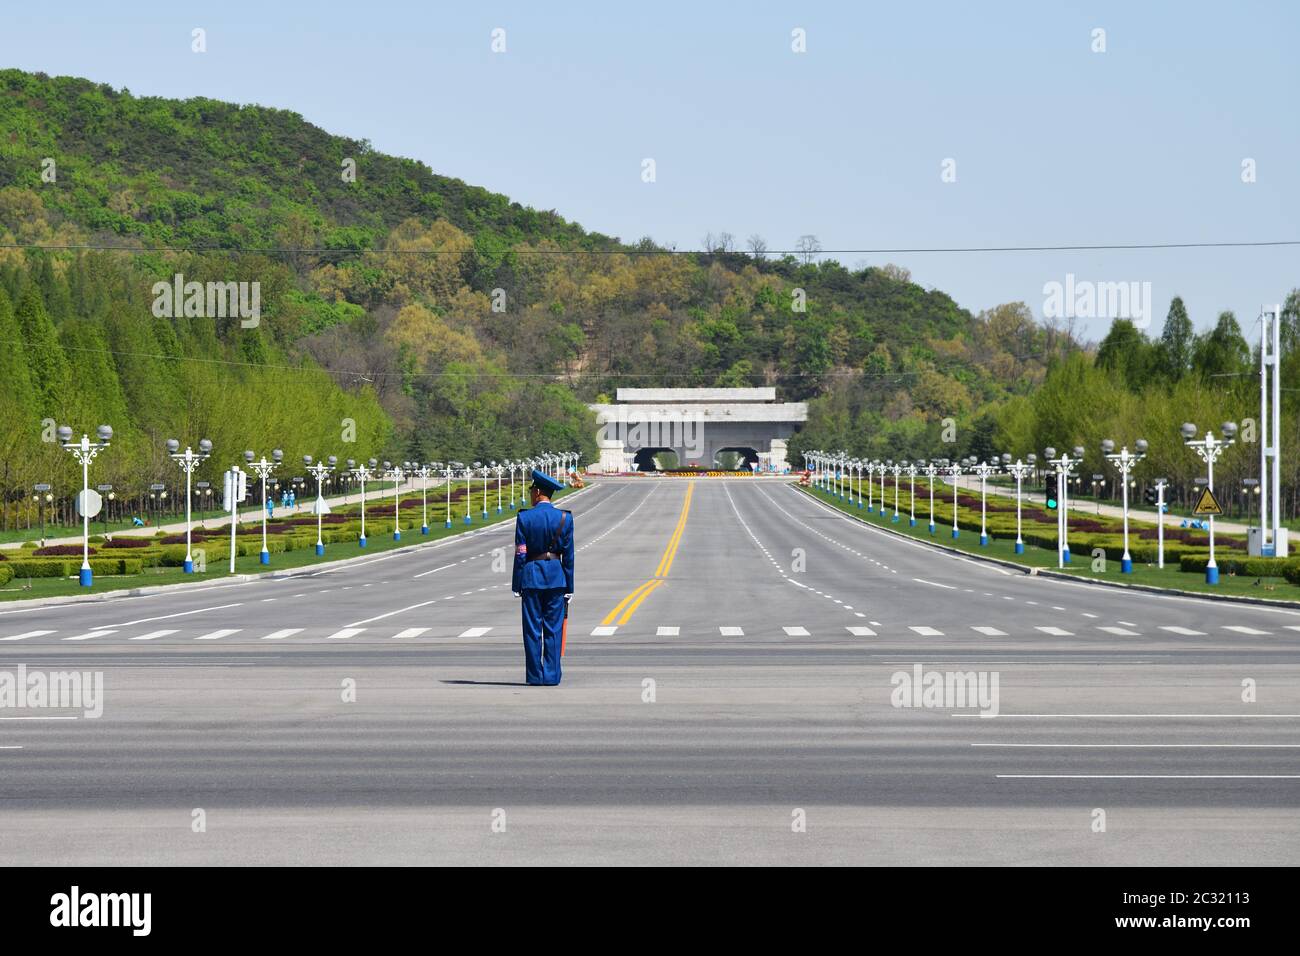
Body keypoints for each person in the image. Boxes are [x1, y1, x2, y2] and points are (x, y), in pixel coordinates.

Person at [511, 469, 574, 685]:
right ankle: (552, 675)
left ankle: (535, 676)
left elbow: (520, 553)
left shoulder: (524, 517)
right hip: (557, 578)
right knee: (553, 629)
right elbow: (569, 556)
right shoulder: (565, 518)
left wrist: (517, 582)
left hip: (531, 577)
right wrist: (569, 586)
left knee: (532, 630)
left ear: (537, 492)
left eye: (531, 491)